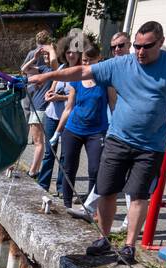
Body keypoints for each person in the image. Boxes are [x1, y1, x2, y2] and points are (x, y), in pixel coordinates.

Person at [30, 21, 166, 265]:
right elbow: (81, 72)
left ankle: (130, 245)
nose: (140, 52)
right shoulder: (122, 64)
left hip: (151, 144)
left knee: (138, 194)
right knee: (106, 189)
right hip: (118, 138)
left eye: (147, 46)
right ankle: (104, 237)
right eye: (136, 46)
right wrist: (48, 75)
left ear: (161, 42)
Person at [55, 40, 116, 209]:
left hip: (96, 131)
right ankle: (67, 204)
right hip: (73, 129)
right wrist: (58, 132)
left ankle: (90, 207)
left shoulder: (105, 80)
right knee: (68, 168)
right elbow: (69, 106)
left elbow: (113, 105)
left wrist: (115, 128)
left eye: (90, 60)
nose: (87, 64)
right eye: (84, 61)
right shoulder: (77, 79)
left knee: (95, 170)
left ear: (99, 59)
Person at [39, 33, 82, 193]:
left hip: (69, 117)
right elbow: (53, 85)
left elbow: (76, 96)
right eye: (68, 51)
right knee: (49, 151)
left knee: (65, 156)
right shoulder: (62, 68)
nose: (71, 55)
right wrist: (49, 94)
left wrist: (60, 97)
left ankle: (61, 188)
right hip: (52, 115)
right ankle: (43, 184)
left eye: (74, 52)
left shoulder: (80, 72)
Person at [21, 31, 57, 177]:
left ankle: (33, 171)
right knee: (38, 141)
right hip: (36, 106)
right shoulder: (43, 69)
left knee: (38, 142)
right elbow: (24, 69)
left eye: (47, 56)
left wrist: (51, 49)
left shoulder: (56, 70)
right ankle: (34, 169)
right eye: (45, 56)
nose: (46, 58)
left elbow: (54, 62)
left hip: (42, 108)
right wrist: (35, 58)